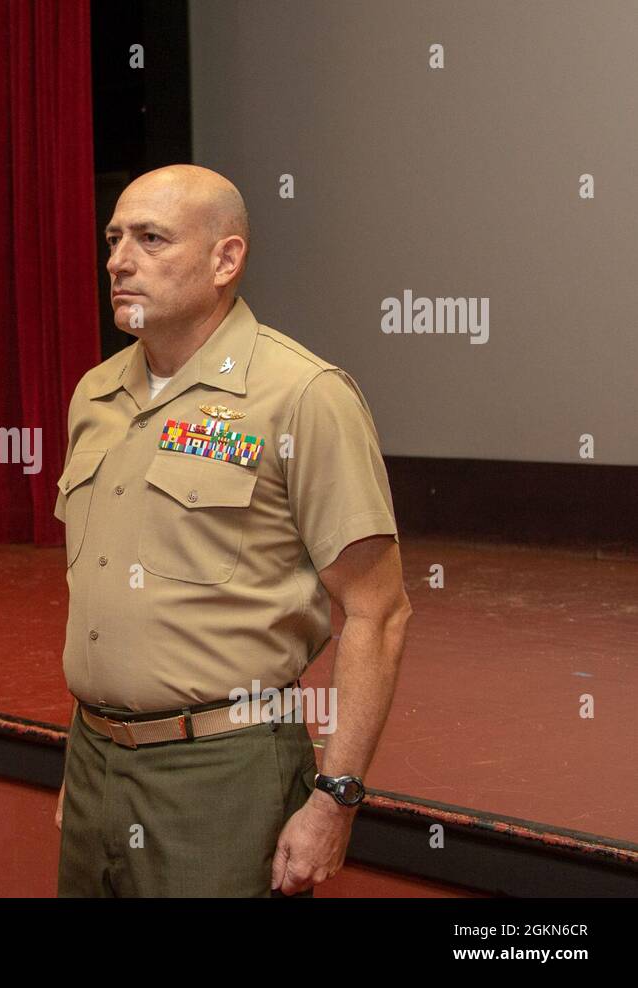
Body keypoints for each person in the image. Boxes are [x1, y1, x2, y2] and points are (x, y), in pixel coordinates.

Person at [52, 164, 411, 897]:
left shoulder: (302, 396)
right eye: (115, 238)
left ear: (226, 259)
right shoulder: (96, 393)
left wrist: (335, 800)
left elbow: (380, 610)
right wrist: (89, 760)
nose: (120, 260)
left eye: (152, 239)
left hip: (224, 773)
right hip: (95, 762)